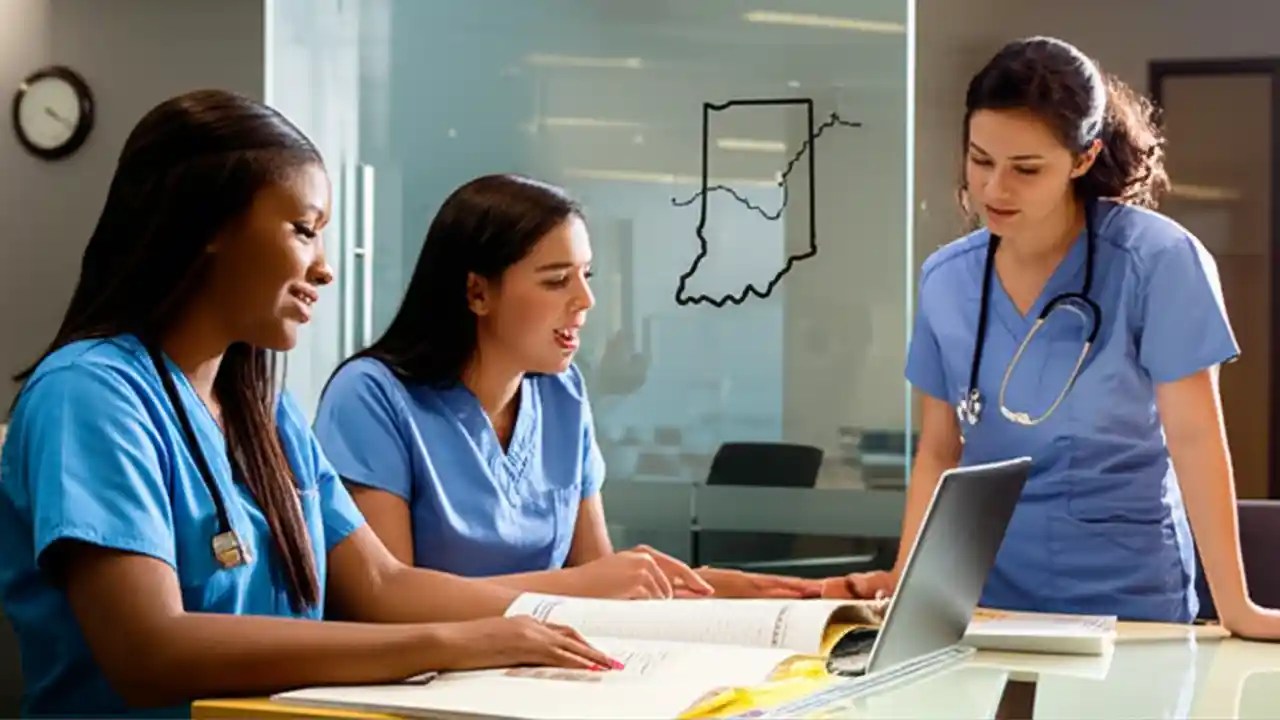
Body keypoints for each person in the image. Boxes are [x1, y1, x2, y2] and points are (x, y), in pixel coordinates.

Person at [0, 91, 617, 718]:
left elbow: (381, 585)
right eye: (303, 232)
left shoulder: (265, 413)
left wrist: (562, 620)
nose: (324, 270)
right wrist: (451, 643)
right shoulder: (89, 395)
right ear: (209, 224)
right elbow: (150, 649)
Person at [841, 36, 1280, 638]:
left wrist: (1237, 607)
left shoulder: (1156, 261)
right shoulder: (947, 279)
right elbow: (941, 451)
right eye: (980, 160)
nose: (994, 190)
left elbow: (1195, 436)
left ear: (1082, 158)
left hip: (1128, 599)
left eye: (1025, 169)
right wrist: (905, 576)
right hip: (980, 599)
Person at [313, 174, 838, 600]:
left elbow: (599, 573)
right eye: (557, 280)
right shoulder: (371, 398)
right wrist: (578, 588)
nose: (585, 300)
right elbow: (383, 601)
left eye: (587, 275)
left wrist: (742, 589)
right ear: (477, 292)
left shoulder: (561, 394)